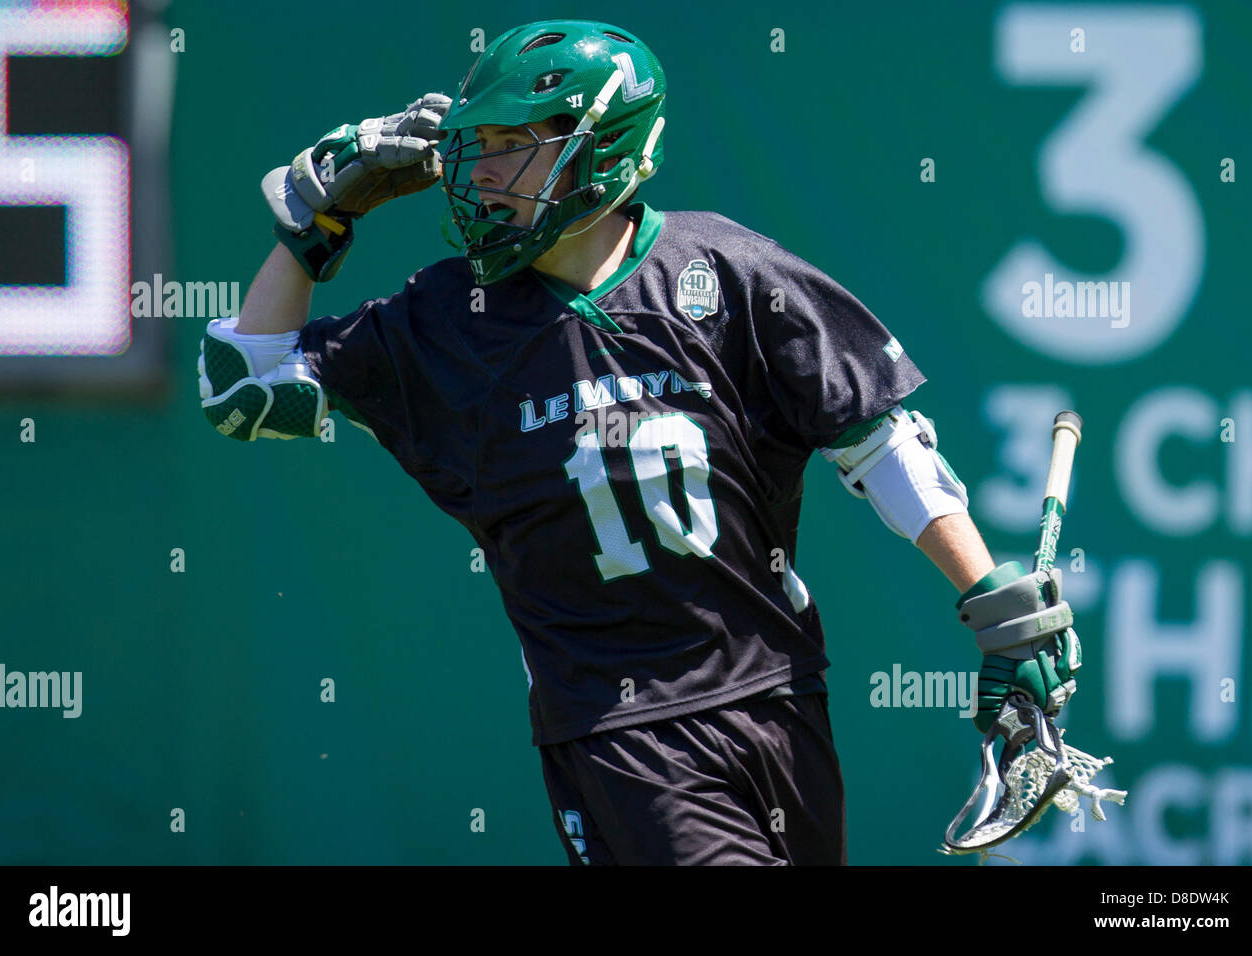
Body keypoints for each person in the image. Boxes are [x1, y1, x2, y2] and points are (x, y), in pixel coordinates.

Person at [198, 19, 1082, 865]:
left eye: (514, 144)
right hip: (618, 733)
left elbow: (877, 440)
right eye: (478, 145)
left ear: (603, 150)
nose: (482, 173)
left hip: (779, 699)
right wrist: (312, 233)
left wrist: (994, 603)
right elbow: (239, 388)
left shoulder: (725, 271)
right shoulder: (446, 317)